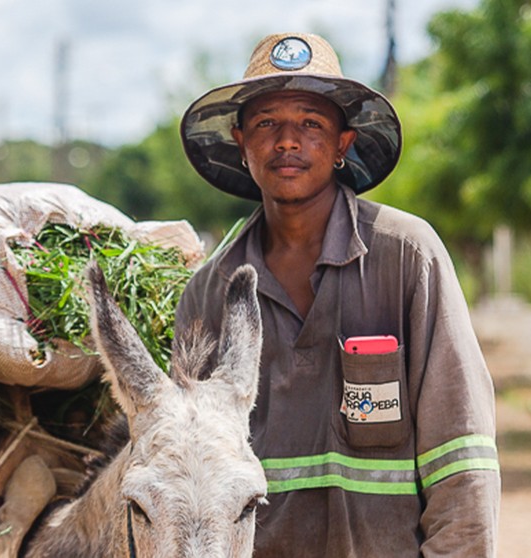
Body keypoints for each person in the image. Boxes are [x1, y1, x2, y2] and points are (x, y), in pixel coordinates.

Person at [174, 33, 500, 556]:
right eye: (266, 123)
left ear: (343, 143)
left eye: (310, 122)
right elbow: (190, 473)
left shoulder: (406, 256)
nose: (286, 140)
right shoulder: (210, 291)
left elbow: (462, 457)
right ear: (241, 142)